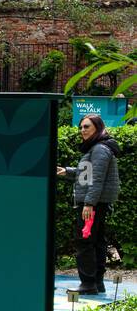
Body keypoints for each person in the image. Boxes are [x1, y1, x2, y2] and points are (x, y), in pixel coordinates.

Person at [57, 114, 121, 295]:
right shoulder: (98, 147)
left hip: (92, 204)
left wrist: (88, 204)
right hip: (97, 203)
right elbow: (88, 172)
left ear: (98, 128)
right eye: (81, 127)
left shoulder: (99, 149)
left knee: (84, 242)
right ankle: (97, 283)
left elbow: (97, 179)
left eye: (86, 127)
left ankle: (87, 283)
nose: (82, 130)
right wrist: (67, 172)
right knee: (97, 242)